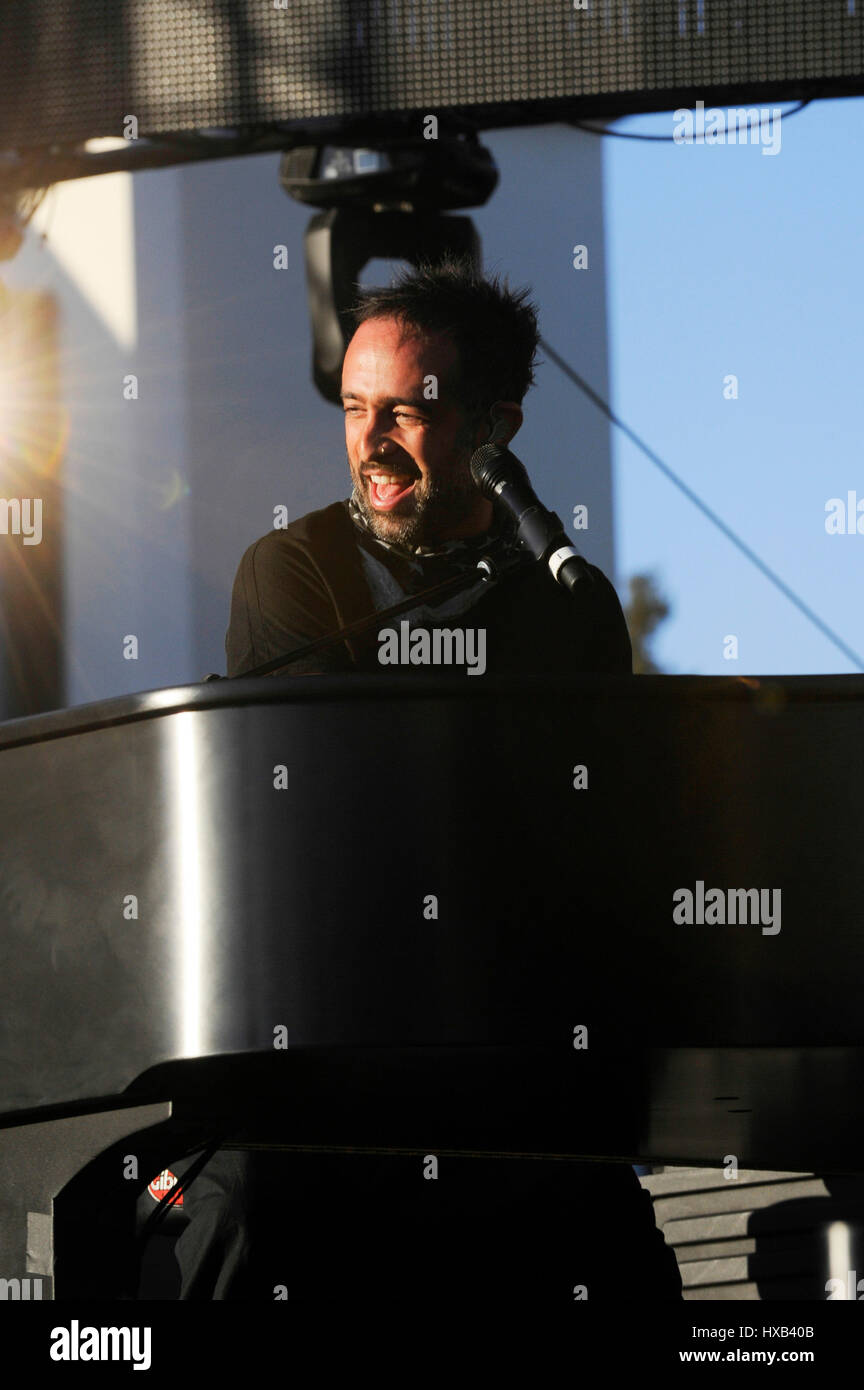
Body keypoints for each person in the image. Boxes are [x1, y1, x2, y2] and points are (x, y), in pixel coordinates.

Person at [171, 257, 682, 1303]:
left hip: (508, 1065)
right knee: (244, 1221)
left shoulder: (565, 599)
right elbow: (328, 809)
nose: (371, 441)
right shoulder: (294, 568)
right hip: (325, 1063)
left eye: (407, 411)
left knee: (620, 1264)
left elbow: (604, 837)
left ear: (498, 427)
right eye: (356, 408)